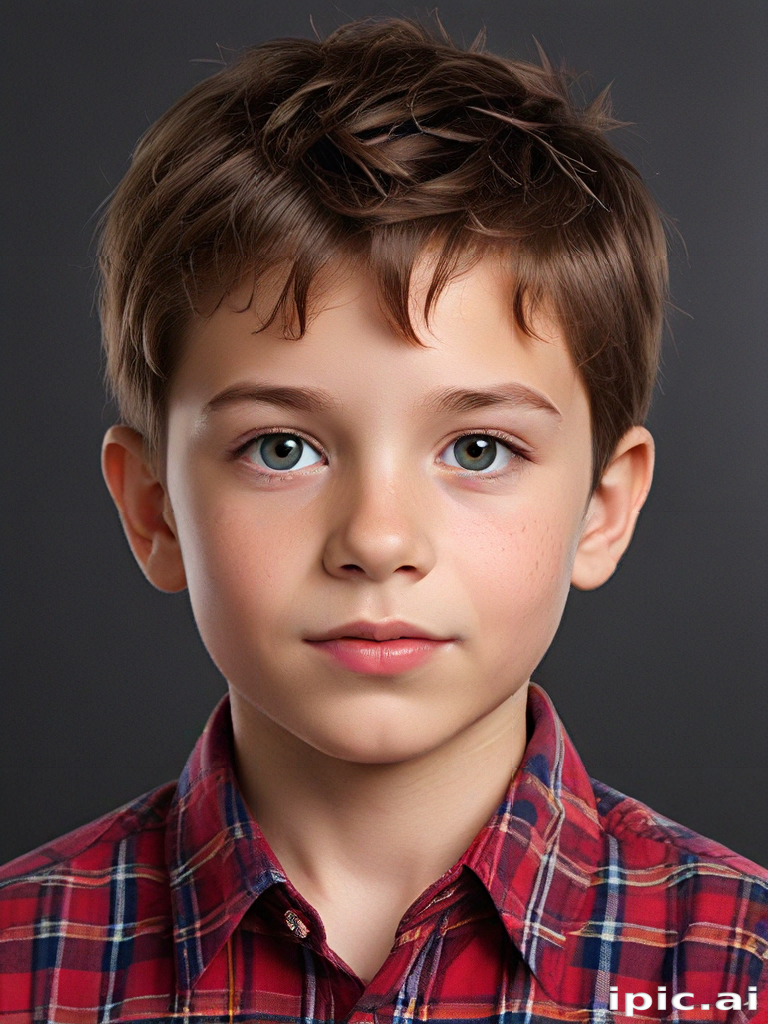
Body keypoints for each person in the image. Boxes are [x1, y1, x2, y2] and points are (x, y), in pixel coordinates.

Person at [1, 17, 765, 1022]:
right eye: (281, 448)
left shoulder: (737, 967)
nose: (377, 539)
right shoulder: (21, 962)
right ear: (154, 509)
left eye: (479, 449)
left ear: (603, 506)